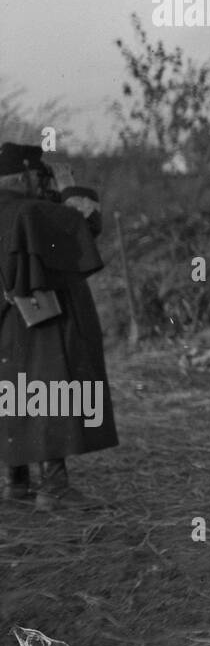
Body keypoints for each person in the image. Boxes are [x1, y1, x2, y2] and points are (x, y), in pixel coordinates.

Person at [0, 143, 118, 511]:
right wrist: (69, 186)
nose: (43, 182)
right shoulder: (31, 211)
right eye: (39, 176)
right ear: (24, 176)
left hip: (6, 321)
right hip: (42, 321)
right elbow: (84, 224)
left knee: (14, 396)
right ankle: (54, 488)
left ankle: (15, 484)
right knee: (52, 393)